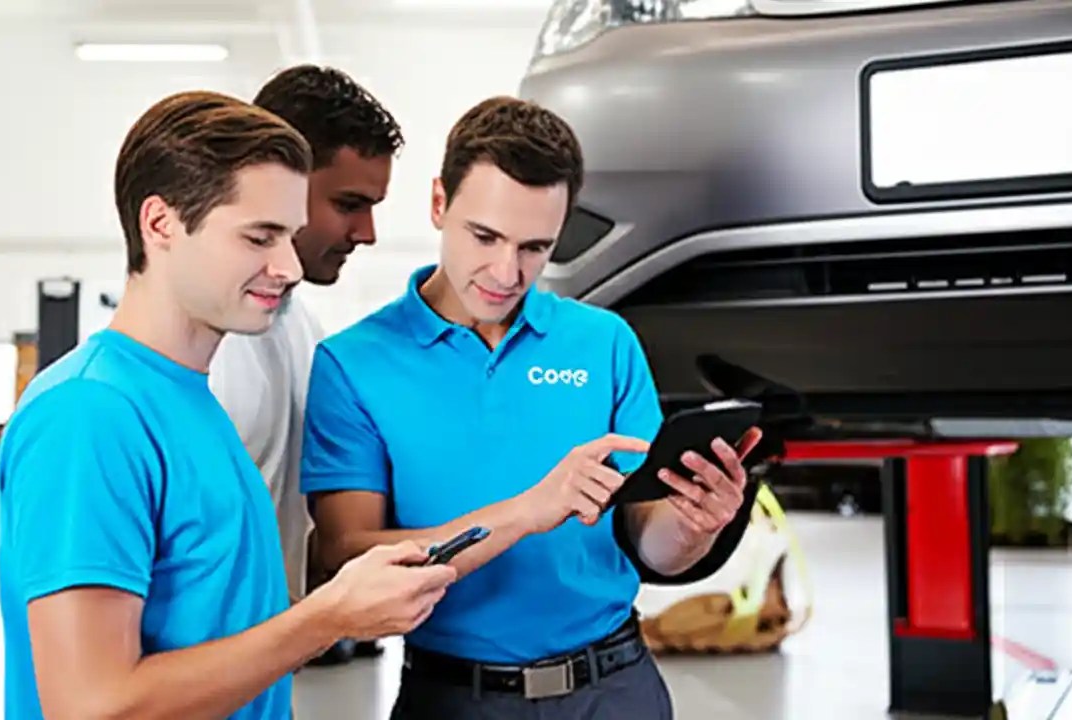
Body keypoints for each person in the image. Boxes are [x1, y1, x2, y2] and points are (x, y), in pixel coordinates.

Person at [0, 89, 456, 720]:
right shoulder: (88, 415)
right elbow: (93, 705)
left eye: (290, 237)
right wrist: (328, 618)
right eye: (259, 237)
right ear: (160, 224)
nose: (289, 266)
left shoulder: (194, 403)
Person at [299, 96, 762, 719]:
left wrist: (694, 525)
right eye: (484, 236)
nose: (506, 271)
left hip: (615, 688)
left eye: (534, 247)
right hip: (453, 699)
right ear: (439, 203)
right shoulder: (353, 364)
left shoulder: (605, 343)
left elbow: (650, 546)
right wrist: (526, 512)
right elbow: (346, 556)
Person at [208, 64, 402, 664]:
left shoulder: (298, 327)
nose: (366, 232)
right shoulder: (206, 351)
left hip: (262, 671)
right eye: (348, 204)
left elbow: (293, 531)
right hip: (204, 676)